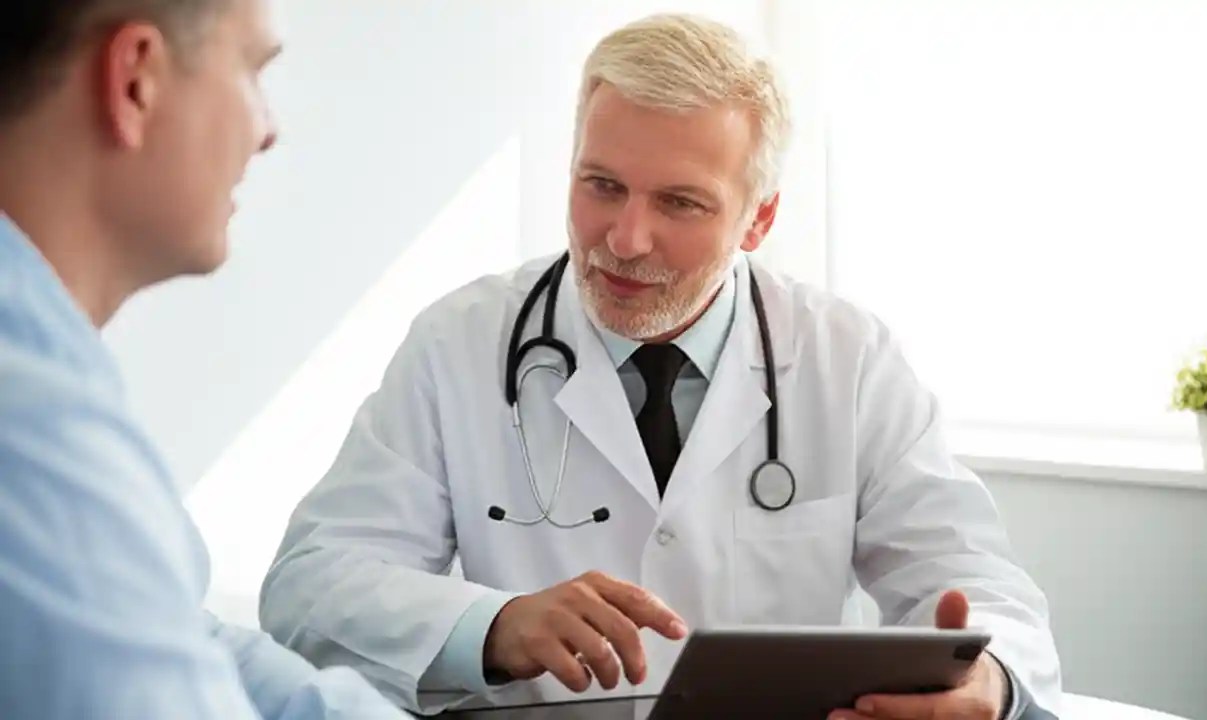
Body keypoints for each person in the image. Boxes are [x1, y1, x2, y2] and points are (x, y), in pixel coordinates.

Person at [260, 13, 1062, 719]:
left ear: (760, 217)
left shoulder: (847, 359)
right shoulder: (459, 344)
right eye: (601, 185)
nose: (625, 238)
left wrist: (988, 682)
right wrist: (494, 625)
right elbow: (310, 584)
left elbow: (978, 585)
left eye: (680, 203)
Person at [0, 1, 406, 717]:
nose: (267, 129)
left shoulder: (45, 371)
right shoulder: (29, 426)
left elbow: (183, 637)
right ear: (136, 82)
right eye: (252, 70)